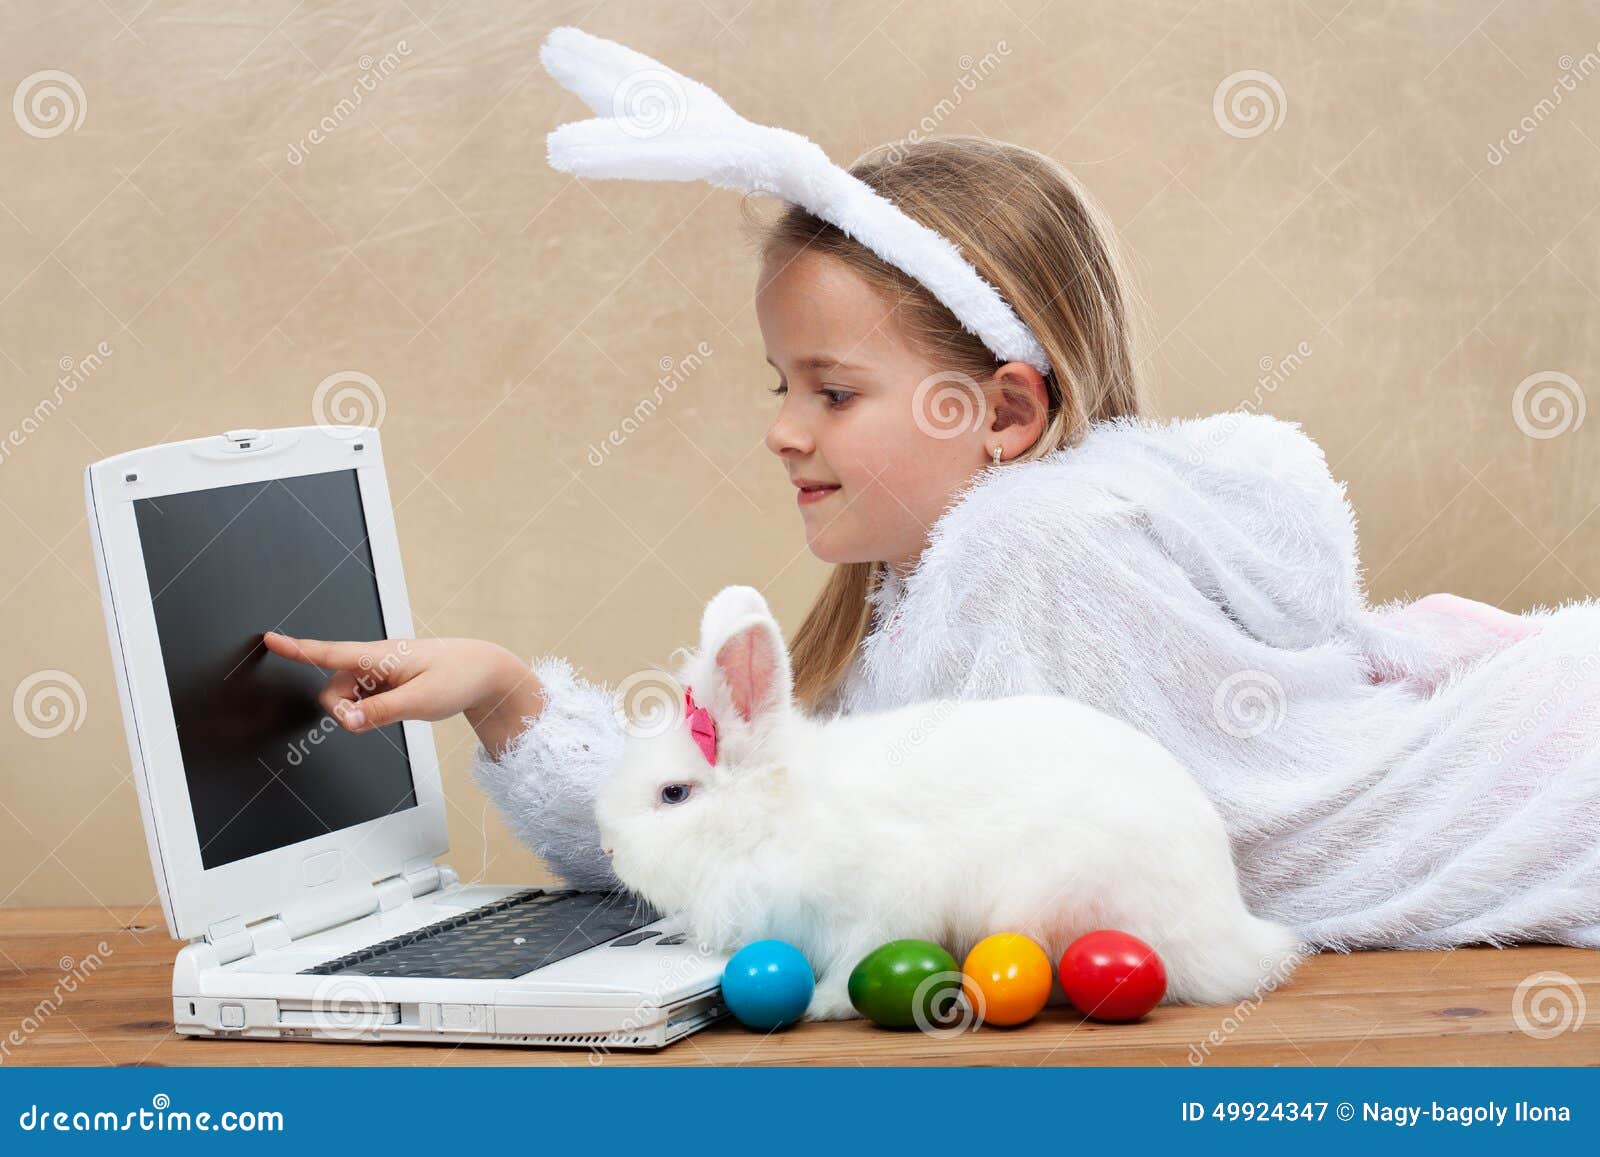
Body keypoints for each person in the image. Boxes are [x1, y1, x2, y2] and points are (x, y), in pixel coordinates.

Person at [264, 137, 1600, 954]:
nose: (786, 432)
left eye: (831, 391)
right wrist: (508, 694)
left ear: (1003, 411)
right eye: (777, 385)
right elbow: (735, 827)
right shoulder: (944, 580)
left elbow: (809, 858)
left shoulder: (1032, 550)